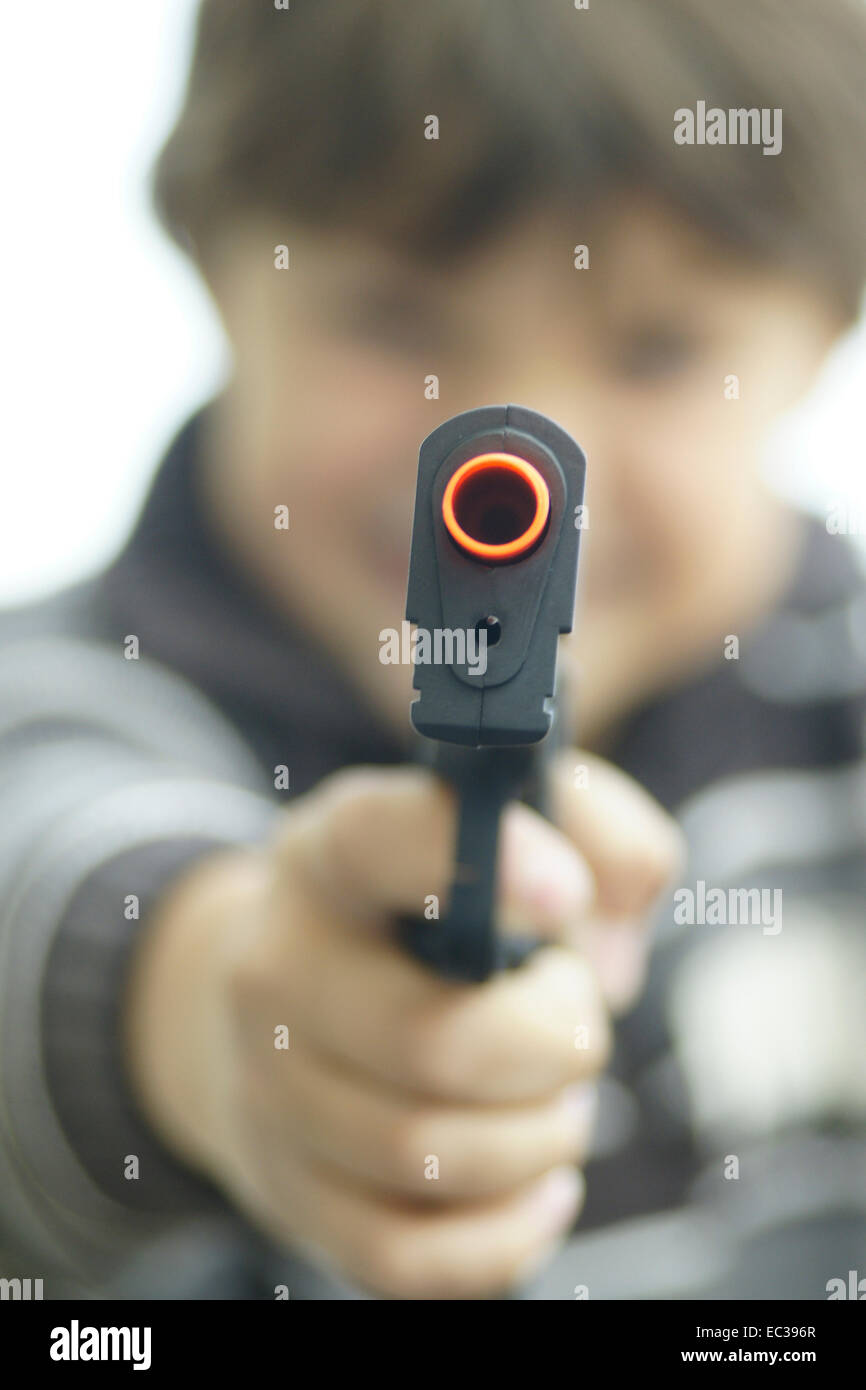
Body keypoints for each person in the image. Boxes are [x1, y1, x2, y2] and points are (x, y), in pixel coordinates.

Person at [1, 0, 864, 1301]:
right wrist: (219, 1011)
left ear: (828, 328)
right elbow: (47, 871)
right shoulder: (66, 695)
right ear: (208, 257)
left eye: (659, 348)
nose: (516, 458)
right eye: (396, 321)